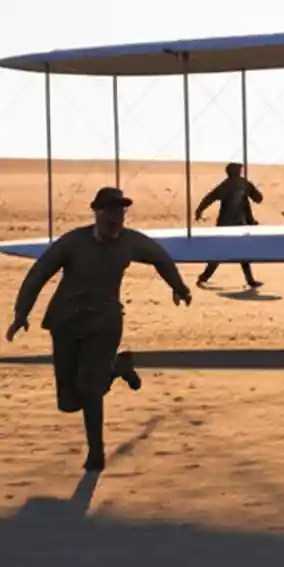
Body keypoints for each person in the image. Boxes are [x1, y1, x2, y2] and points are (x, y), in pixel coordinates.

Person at [4, 186, 192, 472]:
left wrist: (180, 288)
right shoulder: (73, 243)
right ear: (97, 213)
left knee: (89, 387)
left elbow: (160, 258)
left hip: (104, 322)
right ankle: (117, 367)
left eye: (120, 213)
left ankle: (96, 452)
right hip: (66, 321)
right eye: (110, 213)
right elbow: (39, 273)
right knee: (69, 401)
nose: (115, 219)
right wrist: (21, 313)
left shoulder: (130, 242)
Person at [193, 162, 264, 289]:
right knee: (225, 252)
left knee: (233, 252)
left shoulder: (230, 184)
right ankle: (204, 277)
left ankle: (249, 280)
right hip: (231, 224)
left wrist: (199, 210)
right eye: (239, 170)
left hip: (233, 224)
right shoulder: (240, 184)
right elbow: (258, 198)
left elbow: (209, 198)